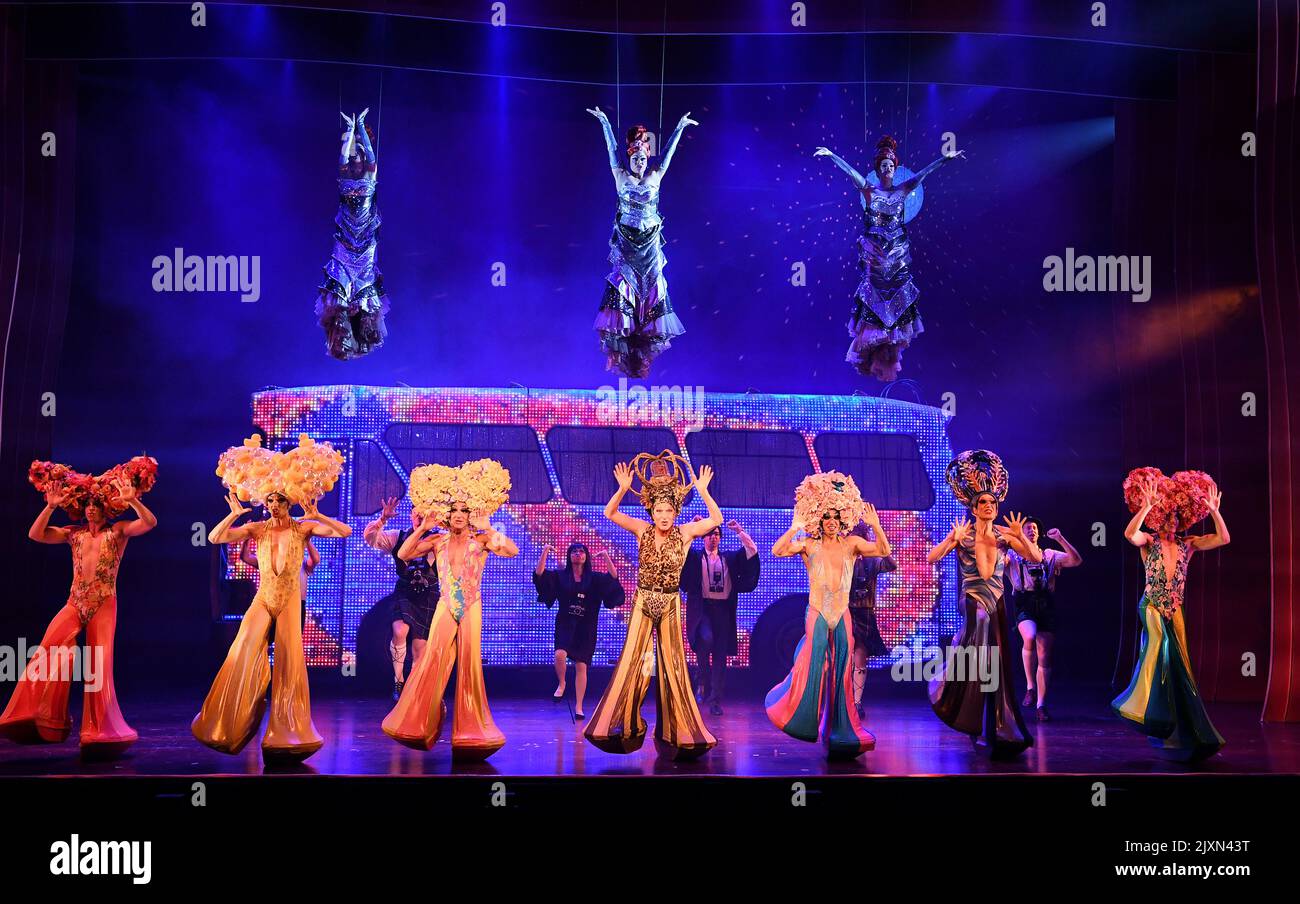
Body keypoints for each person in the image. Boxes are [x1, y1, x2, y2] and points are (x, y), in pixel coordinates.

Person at [193, 435, 350, 761]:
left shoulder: (302, 529)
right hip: (264, 598)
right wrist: (234, 514)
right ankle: (227, 722)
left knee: (290, 662)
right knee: (243, 649)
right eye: (270, 501)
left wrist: (317, 516)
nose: (274, 505)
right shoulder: (257, 529)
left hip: (291, 598)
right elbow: (214, 537)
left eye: (279, 500)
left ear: (289, 501)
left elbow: (343, 532)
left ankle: (287, 732)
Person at [0, 457, 158, 757]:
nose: (90, 508)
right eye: (86, 503)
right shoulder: (74, 534)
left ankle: (98, 731)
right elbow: (34, 535)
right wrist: (50, 506)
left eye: (96, 504)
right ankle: (39, 717)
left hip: (104, 603)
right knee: (48, 647)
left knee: (98, 667)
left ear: (106, 508)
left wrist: (132, 501)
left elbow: (150, 523)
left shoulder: (118, 532)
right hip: (75, 602)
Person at [584, 452, 721, 759]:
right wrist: (621, 489)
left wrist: (703, 491)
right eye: (659, 509)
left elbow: (716, 521)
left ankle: (678, 732)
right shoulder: (641, 530)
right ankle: (621, 726)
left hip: (671, 602)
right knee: (637, 661)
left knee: (673, 665)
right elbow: (610, 513)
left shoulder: (684, 534)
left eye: (669, 510)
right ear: (651, 509)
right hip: (644, 600)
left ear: (675, 512)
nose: (663, 515)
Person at [382, 460, 518, 760]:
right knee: (431, 660)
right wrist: (422, 530)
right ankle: (417, 724)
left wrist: (488, 527)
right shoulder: (437, 540)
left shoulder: (480, 539)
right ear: (448, 515)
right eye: (454, 511)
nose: (458, 516)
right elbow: (403, 554)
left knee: (470, 665)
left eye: (463, 511)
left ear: (470, 515)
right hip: (446, 605)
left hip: (471, 605)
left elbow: (511, 550)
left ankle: (471, 732)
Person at [814, 135, 964, 381]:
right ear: (877, 169)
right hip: (875, 255)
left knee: (899, 297)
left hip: (897, 253)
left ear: (896, 170)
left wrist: (944, 160)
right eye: (884, 165)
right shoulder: (870, 191)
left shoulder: (904, 190)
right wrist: (832, 156)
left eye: (891, 166)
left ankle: (888, 351)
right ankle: (873, 352)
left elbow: (925, 173)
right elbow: (851, 172)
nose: (887, 169)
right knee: (874, 297)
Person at [766, 471, 888, 759]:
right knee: (815, 663)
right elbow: (777, 550)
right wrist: (795, 527)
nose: (831, 522)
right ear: (819, 520)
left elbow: (884, 549)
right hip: (818, 611)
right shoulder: (810, 544)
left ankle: (840, 730)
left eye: (835, 517)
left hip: (841, 612)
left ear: (842, 519)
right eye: (826, 518)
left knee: (843, 669)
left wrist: (876, 525)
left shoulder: (852, 544)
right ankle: (800, 719)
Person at [1112, 468, 1228, 762]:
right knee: (1160, 645)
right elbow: (1129, 534)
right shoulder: (1149, 542)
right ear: (1159, 519)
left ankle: (1177, 729)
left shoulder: (1188, 545)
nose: (1172, 521)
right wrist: (1147, 506)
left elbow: (1223, 539)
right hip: (1151, 604)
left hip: (1175, 609)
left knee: (1180, 667)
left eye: (1176, 517)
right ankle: (1138, 706)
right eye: (1167, 517)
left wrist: (1214, 511)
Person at [927, 450, 1036, 758]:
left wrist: (1021, 537)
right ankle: (959, 696)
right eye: (983, 503)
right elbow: (930, 557)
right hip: (973, 599)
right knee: (979, 647)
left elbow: (1035, 558)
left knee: (997, 664)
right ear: (973, 507)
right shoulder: (964, 535)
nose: (989, 506)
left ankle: (999, 726)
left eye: (992, 503)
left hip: (998, 601)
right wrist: (951, 539)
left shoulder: (1004, 535)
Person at [588, 106, 696, 377]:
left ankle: (643, 341)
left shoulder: (655, 177)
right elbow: (611, 149)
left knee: (652, 289)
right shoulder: (620, 176)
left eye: (643, 158)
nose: (640, 162)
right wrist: (605, 122)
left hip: (649, 248)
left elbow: (669, 155)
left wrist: (680, 127)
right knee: (624, 290)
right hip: (626, 245)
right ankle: (625, 339)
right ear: (630, 158)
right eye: (635, 158)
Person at [316, 107, 388, 360]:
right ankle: (343, 341)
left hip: (365, 240)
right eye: (353, 158)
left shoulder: (370, 173)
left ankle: (362, 336)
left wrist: (360, 128)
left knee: (365, 294)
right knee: (340, 296)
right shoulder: (345, 175)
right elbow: (342, 159)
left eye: (358, 158)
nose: (355, 160)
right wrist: (349, 131)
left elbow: (369, 154)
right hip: (345, 240)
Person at [534, 542, 625, 720]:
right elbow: (540, 575)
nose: (578, 554)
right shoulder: (561, 576)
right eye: (574, 551)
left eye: (581, 551)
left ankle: (579, 706)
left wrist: (606, 556)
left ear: (586, 556)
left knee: (581, 665)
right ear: (569, 556)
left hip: (587, 625)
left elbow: (613, 578)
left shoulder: (594, 578)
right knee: (560, 654)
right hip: (566, 622)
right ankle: (561, 683)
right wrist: (545, 551)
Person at [364, 496, 440, 701]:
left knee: (419, 647)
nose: (420, 517)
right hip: (405, 590)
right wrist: (382, 519)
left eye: (424, 513)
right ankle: (398, 680)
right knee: (400, 630)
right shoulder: (398, 536)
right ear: (411, 515)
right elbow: (371, 539)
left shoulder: (437, 540)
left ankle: (416, 688)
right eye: (416, 513)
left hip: (429, 594)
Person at [680, 518, 760, 715]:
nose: (712, 538)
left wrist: (740, 531)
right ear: (703, 538)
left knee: (720, 656)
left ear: (720, 538)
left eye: (716, 534)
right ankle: (702, 678)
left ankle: (715, 700)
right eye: (708, 535)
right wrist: (693, 527)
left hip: (723, 610)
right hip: (703, 609)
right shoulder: (695, 557)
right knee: (705, 640)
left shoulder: (729, 559)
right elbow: (680, 547)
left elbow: (751, 552)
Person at [1007, 519, 1082, 721]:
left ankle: (1041, 704)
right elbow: (997, 563)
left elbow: (1076, 560)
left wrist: (1060, 538)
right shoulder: (1012, 554)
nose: (1031, 530)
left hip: (1046, 603)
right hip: (1024, 601)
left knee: (1044, 655)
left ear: (1039, 533)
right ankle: (1030, 687)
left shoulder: (1048, 554)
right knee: (1029, 636)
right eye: (1026, 528)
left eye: (1034, 528)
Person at [847, 520, 896, 716]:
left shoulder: (872, 560)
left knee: (860, 656)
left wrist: (878, 543)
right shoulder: (842, 559)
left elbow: (891, 564)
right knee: (843, 656)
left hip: (864, 611)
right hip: (843, 611)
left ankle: (857, 703)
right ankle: (840, 701)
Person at [239, 523, 319, 630]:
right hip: (272, 604)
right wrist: (248, 536)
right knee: (265, 639)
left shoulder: (302, 563)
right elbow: (246, 557)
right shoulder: (271, 560)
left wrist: (306, 538)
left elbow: (316, 559)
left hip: (296, 606)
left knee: (291, 644)